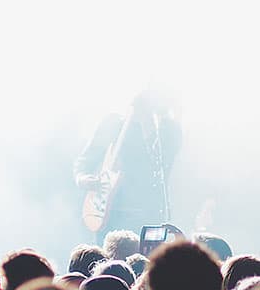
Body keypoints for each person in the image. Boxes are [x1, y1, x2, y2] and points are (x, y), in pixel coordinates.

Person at [73, 87, 182, 239]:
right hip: (110, 214)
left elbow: (161, 166)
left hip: (149, 217)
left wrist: (147, 122)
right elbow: (86, 160)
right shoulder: (114, 123)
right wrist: (82, 178)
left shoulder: (169, 129)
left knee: (147, 262)